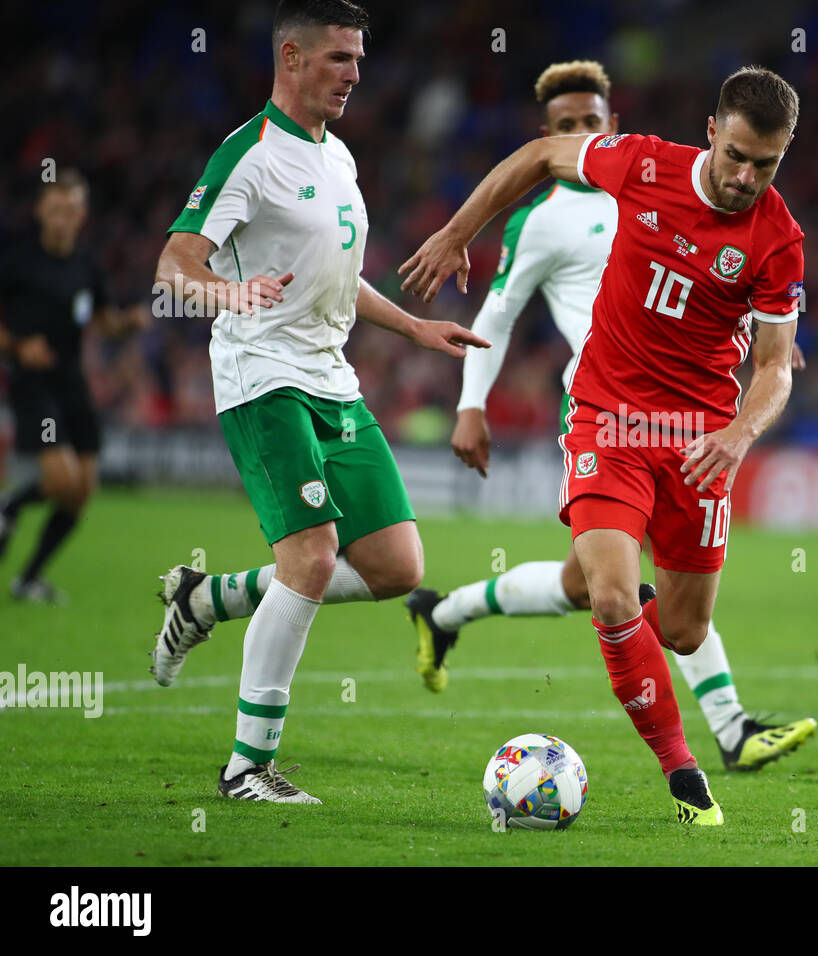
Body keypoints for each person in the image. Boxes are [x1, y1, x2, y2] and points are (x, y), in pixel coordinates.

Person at [401, 66, 805, 823]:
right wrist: (458, 233)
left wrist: (740, 432)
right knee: (615, 594)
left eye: (768, 164)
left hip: (697, 440)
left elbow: (777, 366)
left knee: (681, 631)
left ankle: (452, 613)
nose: (748, 177)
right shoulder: (641, 163)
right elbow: (536, 157)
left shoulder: (778, 239)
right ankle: (687, 775)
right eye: (739, 156)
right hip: (607, 418)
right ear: (712, 130)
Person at [149, 0, 487, 803]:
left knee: (398, 566)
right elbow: (172, 267)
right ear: (292, 58)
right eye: (339, 58)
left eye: (359, 58)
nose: (355, 74)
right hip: (263, 380)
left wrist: (412, 327)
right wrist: (227, 295)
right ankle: (246, 766)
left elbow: (337, 277)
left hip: (331, 378)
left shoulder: (338, 160)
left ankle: (207, 597)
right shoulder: (249, 154)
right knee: (309, 557)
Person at [0, 171, 145, 603]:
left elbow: (105, 322)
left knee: (81, 492)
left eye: (71, 210)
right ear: (41, 211)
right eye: (56, 209)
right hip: (33, 385)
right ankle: (8, 506)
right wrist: (19, 346)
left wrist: (128, 323)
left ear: (82, 215)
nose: (63, 218)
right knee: (62, 479)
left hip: (72, 385)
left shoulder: (86, 265)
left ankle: (28, 580)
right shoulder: (18, 261)